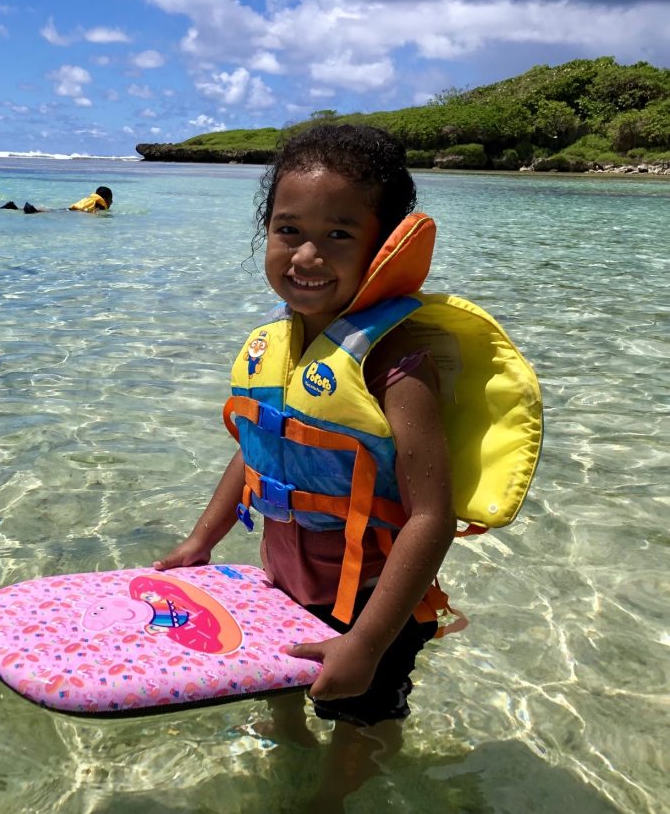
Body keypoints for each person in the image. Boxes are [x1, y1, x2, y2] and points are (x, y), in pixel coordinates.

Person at [153, 124, 540, 809]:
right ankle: (288, 747)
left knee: (364, 719)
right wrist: (201, 540)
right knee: (281, 683)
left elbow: (430, 515)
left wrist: (365, 641)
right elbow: (257, 448)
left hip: (374, 600)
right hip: (285, 578)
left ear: (384, 246)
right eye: (287, 228)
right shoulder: (276, 344)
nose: (306, 254)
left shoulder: (395, 361)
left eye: (338, 234)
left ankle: (331, 799)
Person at [0, 186, 112, 214]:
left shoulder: (92, 198)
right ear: (106, 199)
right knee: (49, 212)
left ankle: (14, 207)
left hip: (70, 210)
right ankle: (31, 210)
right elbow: (95, 213)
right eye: (111, 200)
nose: (111, 203)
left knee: (52, 211)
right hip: (74, 213)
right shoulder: (100, 204)